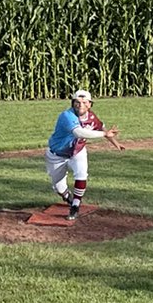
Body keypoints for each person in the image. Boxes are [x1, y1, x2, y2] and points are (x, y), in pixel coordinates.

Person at [45, 89, 122, 219]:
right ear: (73, 103)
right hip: (57, 154)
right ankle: (67, 197)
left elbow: (101, 127)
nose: (81, 105)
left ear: (90, 104)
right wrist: (104, 134)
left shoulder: (91, 117)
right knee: (58, 187)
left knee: (81, 175)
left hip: (77, 151)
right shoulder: (67, 116)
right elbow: (78, 132)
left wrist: (116, 143)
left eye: (84, 102)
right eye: (77, 102)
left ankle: (75, 205)